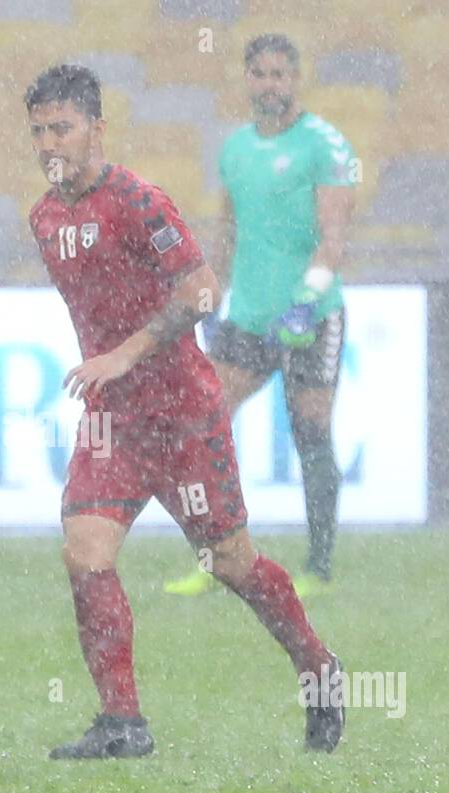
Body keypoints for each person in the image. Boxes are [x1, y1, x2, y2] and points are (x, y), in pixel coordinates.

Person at [25, 63, 344, 758]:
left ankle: (318, 670)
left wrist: (127, 352)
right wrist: (113, 369)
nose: (50, 143)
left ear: (96, 128)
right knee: (85, 553)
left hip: (182, 418)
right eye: (39, 131)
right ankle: (123, 724)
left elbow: (201, 292)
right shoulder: (45, 218)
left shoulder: (139, 201)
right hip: (114, 420)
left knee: (231, 563)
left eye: (63, 128)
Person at [165, 34, 357, 601]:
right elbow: (226, 232)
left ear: (295, 79)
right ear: (246, 79)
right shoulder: (235, 151)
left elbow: (335, 238)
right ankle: (215, 557)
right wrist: (211, 294)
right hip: (249, 317)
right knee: (205, 426)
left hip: (311, 316)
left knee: (311, 431)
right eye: (260, 74)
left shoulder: (325, 145)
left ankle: (318, 567)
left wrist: (305, 299)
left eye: (279, 74)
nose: (270, 84)